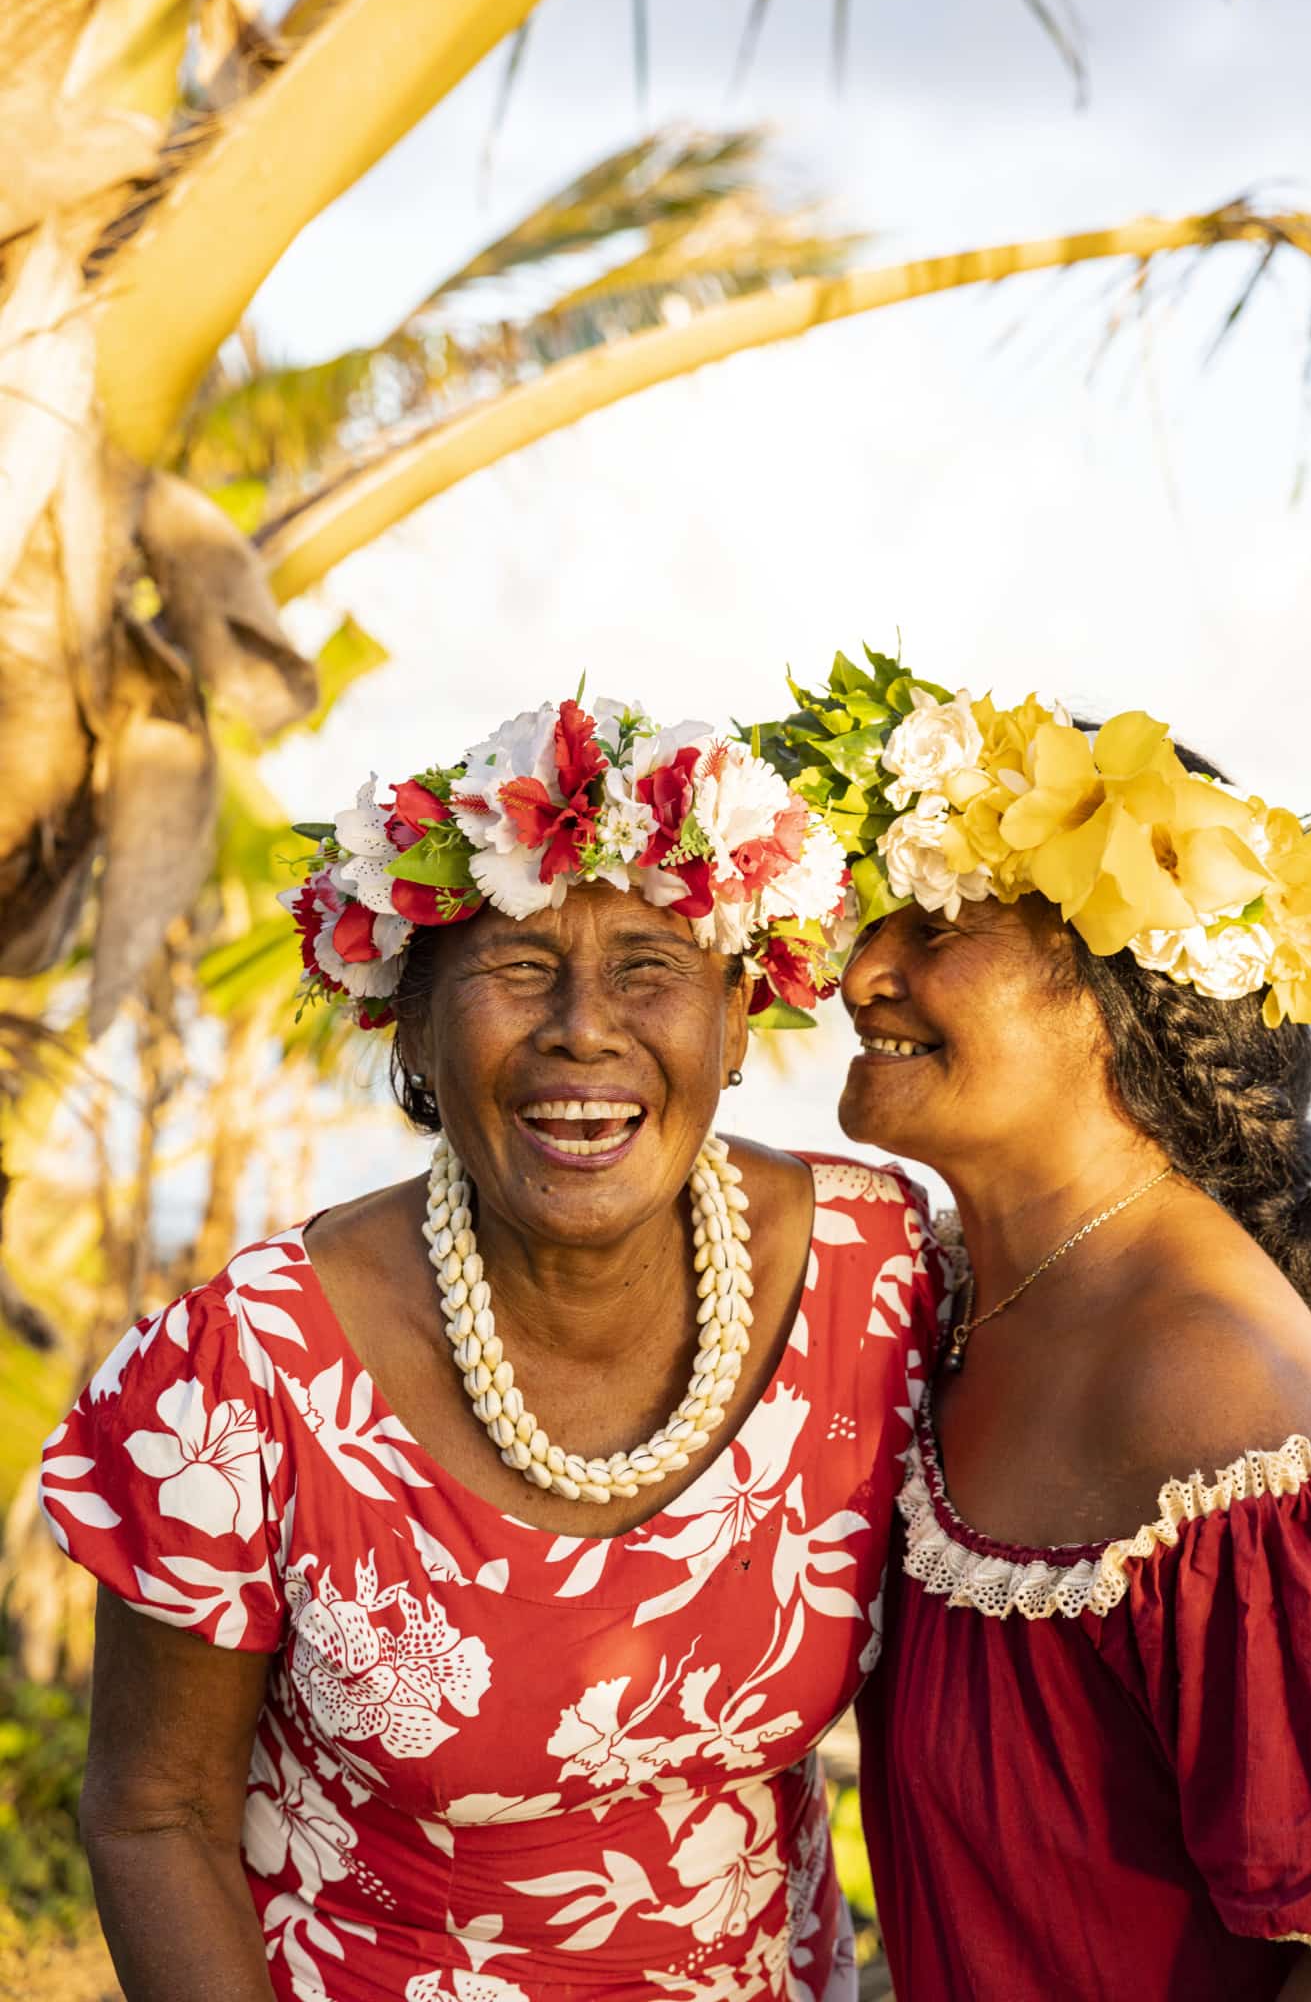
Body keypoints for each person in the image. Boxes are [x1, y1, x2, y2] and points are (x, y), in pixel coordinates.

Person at [40, 693, 943, 2002]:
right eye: (517, 967)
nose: (582, 1024)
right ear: (406, 1022)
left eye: (649, 964)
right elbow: (154, 1813)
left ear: (742, 1019)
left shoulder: (879, 1276)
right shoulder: (247, 1364)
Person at [760, 656, 1311, 2000]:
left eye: (936, 926)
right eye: (877, 922)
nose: (859, 972)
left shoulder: (1204, 1381)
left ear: (1122, 987)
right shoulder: (959, 1301)